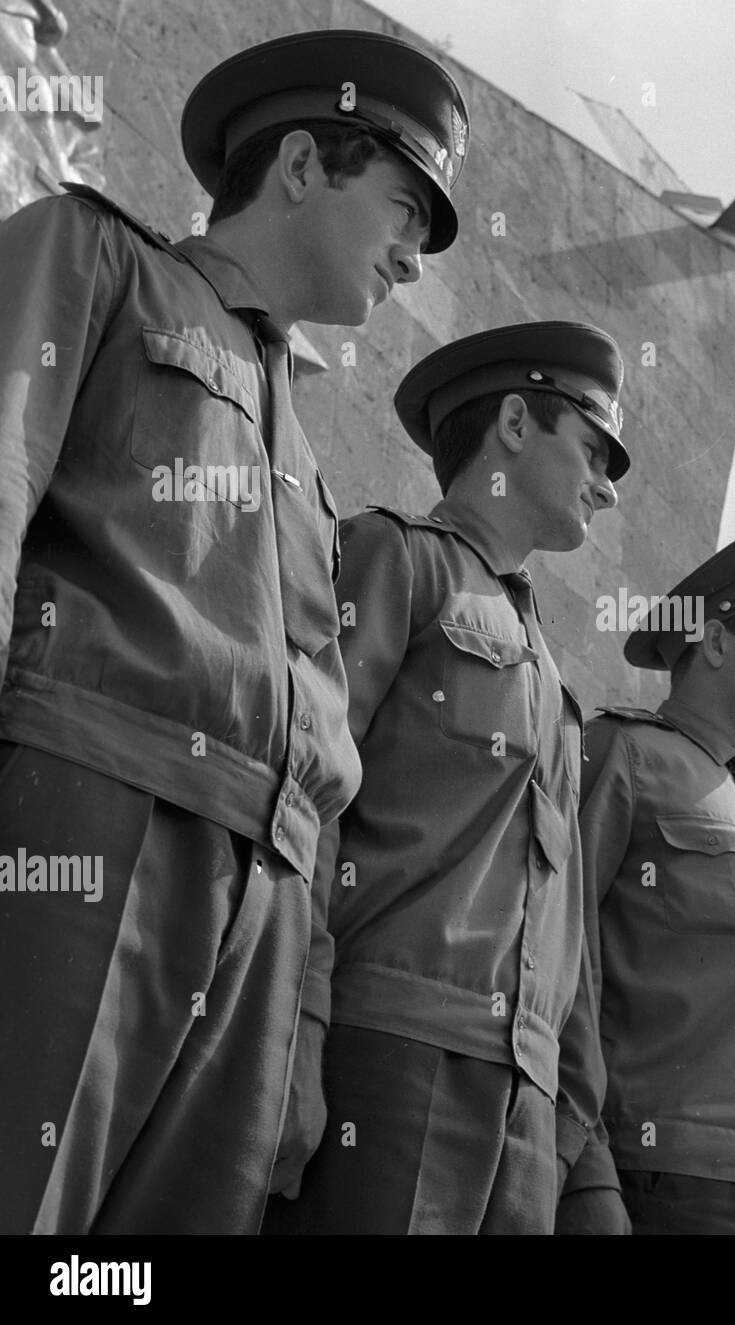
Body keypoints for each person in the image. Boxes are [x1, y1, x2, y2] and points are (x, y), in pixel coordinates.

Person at [0, 28, 468, 1234]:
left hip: (265, 901)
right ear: (304, 162)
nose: (416, 258)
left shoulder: (308, 461)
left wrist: (302, 1009)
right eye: (408, 204)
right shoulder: (96, 255)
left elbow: (319, 746)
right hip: (92, 812)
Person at [264, 321, 629, 1234]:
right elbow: (307, 802)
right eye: (593, 448)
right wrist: (297, 1024)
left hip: (528, 1107)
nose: (608, 487)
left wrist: (570, 1122)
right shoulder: (397, 562)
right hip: (392, 1050)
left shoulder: (555, 678)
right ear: (514, 422)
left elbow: (566, 919)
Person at [560, 531, 735, 1234]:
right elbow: (559, 962)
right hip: (667, 1180)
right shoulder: (625, 754)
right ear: (715, 640)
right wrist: (584, 1169)